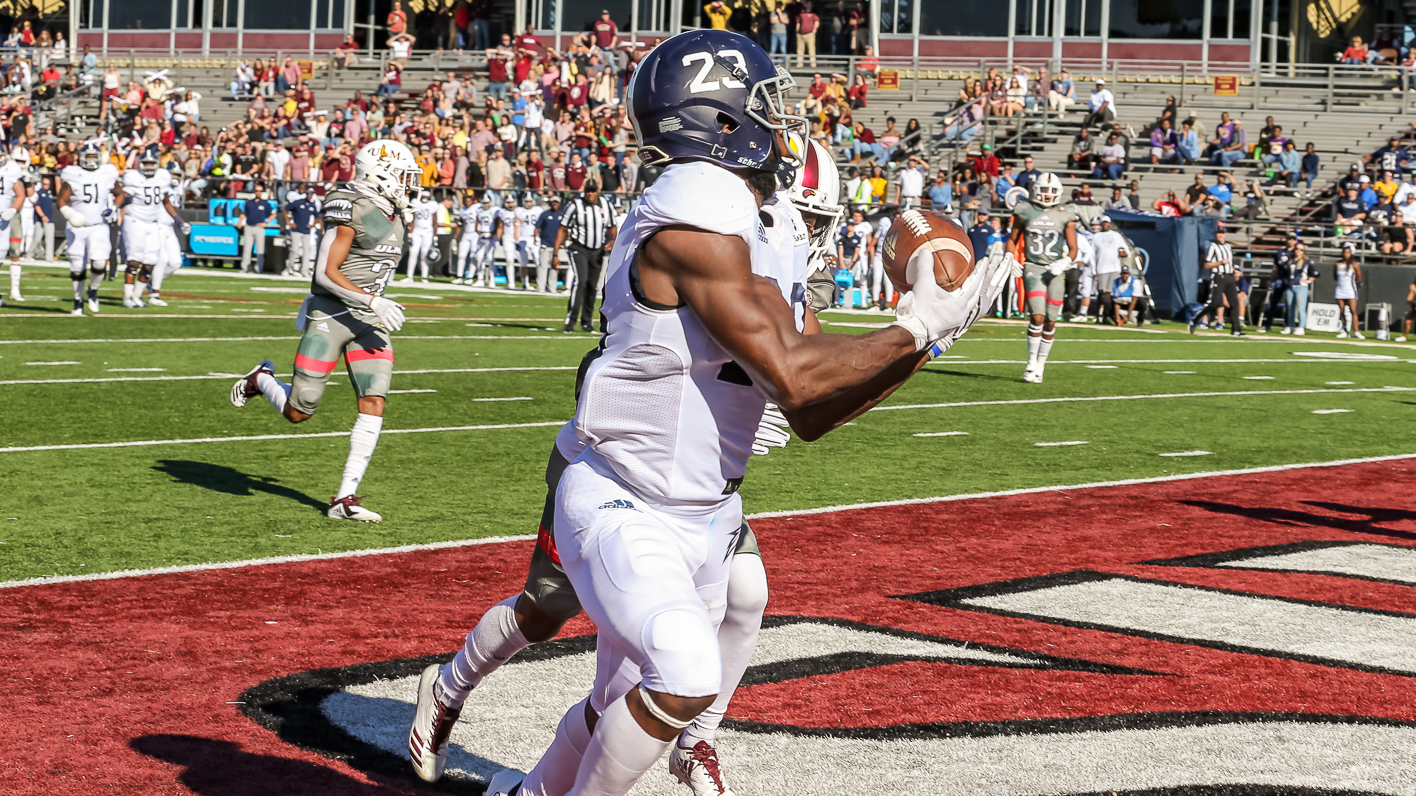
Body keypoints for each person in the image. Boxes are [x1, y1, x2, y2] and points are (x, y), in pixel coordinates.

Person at [460, 33, 1008, 796]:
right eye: (762, 104)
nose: (777, 121)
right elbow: (797, 379)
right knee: (683, 677)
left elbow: (814, 409)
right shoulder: (692, 212)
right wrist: (915, 326)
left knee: (618, 701)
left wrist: (924, 338)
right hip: (626, 499)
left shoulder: (752, 225)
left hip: (707, 512)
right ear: (718, 120)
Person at [229, 139, 419, 523]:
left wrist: (373, 305)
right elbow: (324, 273)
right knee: (300, 411)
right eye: (403, 174)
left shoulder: (393, 212)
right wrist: (373, 300)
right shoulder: (353, 204)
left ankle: (344, 498)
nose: (409, 183)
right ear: (380, 173)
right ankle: (262, 379)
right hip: (332, 314)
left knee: (374, 399)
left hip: (368, 321)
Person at [1011, 173, 1076, 383]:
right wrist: (1010, 258)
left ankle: (1041, 364)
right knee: (1037, 316)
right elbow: (1012, 239)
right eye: (1045, 190)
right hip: (1033, 266)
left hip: (1055, 269)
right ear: (1036, 190)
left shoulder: (1066, 213)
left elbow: (1074, 249)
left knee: (1050, 321)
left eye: (1052, 190)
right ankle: (1030, 363)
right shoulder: (1025, 209)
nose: (1048, 194)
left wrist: (1065, 262)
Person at [57, 142, 120, 316]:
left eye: (94, 156)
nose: (92, 160)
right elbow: (61, 201)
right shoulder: (73, 174)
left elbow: (120, 194)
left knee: (99, 262)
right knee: (77, 267)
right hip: (76, 228)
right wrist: (69, 213)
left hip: (98, 225)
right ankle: (77, 302)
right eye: (89, 157)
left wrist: (115, 207)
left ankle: (93, 291)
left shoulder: (106, 173)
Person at [116, 152, 182, 309]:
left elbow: (166, 200)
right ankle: (127, 297)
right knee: (134, 261)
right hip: (135, 221)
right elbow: (125, 196)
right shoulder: (133, 177)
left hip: (152, 223)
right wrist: (115, 207)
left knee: (151, 262)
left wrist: (177, 218)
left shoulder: (163, 177)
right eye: (146, 163)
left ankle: (137, 296)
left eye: (151, 163)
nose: (149, 167)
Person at [554, 179, 616, 331]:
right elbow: (562, 228)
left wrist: (613, 240)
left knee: (592, 286)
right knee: (580, 281)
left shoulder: (606, 205)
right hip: (579, 247)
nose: (590, 194)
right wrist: (555, 253)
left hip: (597, 250)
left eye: (593, 190)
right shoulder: (575, 205)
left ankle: (587, 322)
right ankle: (570, 321)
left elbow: (612, 226)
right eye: (588, 190)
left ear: (598, 191)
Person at [1192, 225, 1242, 336]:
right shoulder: (1212, 247)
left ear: (1225, 234)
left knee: (1234, 303)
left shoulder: (1228, 246)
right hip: (1219, 276)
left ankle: (1236, 330)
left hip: (1229, 277)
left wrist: (1235, 270)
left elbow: (1229, 263)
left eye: (1222, 233)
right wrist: (1220, 262)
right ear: (1215, 234)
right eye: (1218, 233)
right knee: (1214, 303)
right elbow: (1207, 265)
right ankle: (1196, 319)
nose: (1220, 235)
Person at [1089, 214, 1128, 324]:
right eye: (1103, 223)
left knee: (1111, 295)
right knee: (1102, 294)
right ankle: (1099, 316)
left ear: (1109, 223)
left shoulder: (1116, 235)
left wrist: (1123, 253)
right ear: (1101, 224)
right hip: (1101, 268)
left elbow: (1126, 251)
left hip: (1114, 268)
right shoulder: (1096, 237)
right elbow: (1092, 255)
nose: (1105, 224)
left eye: (1107, 222)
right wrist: (1094, 270)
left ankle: (1108, 315)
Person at [401, 189, 438, 283]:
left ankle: (424, 276)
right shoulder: (415, 202)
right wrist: (410, 231)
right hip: (417, 230)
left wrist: (435, 235)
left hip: (428, 231)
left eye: (426, 197)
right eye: (423, 196)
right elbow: (412, 217)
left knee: (425, 254)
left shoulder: (433, 205)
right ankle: (409, 276)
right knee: (413, 252)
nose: (425, 198)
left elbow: (435, 220)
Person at [283, 188, 320, 278]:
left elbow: (317, 217)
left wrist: (313, 225)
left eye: (311, 194)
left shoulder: (312, 205)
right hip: (296, 230)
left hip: (307, 231)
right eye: (308, 193)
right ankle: (289, 268)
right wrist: (289, 222)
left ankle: (305, 270)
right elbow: (286, 209)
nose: (309, 195)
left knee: (307, 251)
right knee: (295, 250)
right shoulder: (298, 202)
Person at [1281, 242, 1315, 336]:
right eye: (1297, 249)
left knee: (1301, 308)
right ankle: (1289, 326)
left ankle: (1301, 327)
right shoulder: (1289, 261)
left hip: (1301, 287)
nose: (1299, 251)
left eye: (1301, 250)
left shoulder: (1306, 262)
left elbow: (1314, 274)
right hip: (1290, 287)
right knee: (1290, 307)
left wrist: (1308, 281)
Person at [238, 183, 273, 274]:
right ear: (254, 191)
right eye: (257, 190)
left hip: (258, 227)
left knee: (260, 249)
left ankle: (259, 268)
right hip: (249, 226)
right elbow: (243, 213)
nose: (258, 193)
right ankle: (245, 267)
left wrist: (266, 222)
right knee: (247, 248)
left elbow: (273, 214)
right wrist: (240, 222)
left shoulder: (265, 203)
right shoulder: (249, 203)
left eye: (260, 191)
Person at [534, 194, 564, 292]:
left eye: (557, 202)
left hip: (556, 246)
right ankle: (541, 287)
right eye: (553, 202)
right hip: (545, 244)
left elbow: (565, 230)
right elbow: (537, 227)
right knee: (543, 267)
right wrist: (535, 238)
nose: (555, 204)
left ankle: (552, 288)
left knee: (554, 267)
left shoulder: (562, 215)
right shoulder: (545, 214)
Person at [514, 192, 543, 289]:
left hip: (535, 238)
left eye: (530, 201)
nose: (528, 203)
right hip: (524, 238)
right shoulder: (519, 211)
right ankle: (524, 283)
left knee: (538, 261)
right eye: (526, 201)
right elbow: (517, 225)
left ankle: (541, 283)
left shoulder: (538, 210)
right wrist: (516, 239)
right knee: (523, 262)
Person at [1334, 245, 1362, 338]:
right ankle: (1344, 330)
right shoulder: (1337, 264)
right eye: (1345, 252)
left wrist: (1354, 285)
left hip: (1350, 290)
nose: (1346, 254)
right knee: (1342, 311)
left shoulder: (1354, 264)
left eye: (1348, 252)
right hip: (1340, 289)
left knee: (1353, 310)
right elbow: (1335, 276)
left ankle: (1356, 331)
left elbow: (1358, 278)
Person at [796, 1, 819, 67]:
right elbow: (798, 22)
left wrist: (814, 30)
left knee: (811, 49)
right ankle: (799, 63)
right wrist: (797, 31)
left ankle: (813, 63)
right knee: (800, 50)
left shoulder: (813, 14)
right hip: (800, 34)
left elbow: (817, 22)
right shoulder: (801, 13)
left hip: (810, 34)